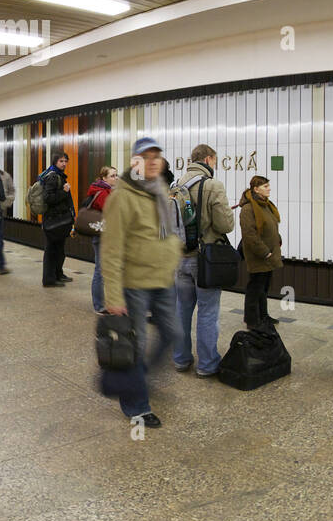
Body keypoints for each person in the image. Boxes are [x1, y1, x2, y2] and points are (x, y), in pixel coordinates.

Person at [98, 137, 186, 429]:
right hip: (134, 282)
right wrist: (113, 297)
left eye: (156, 157)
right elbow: (110, 250)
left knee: (173, 333)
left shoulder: (158, 189)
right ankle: (137, 406)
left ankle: (135, 377)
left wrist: (174, 254)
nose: (152, 162)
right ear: (134, 161)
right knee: (136, 344)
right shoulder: (122, 197)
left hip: (162, 278)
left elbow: (165, 233)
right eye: (145, 157)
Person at [171, 144, 236, 378]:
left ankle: (180, 359)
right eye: (215, 161)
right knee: (208, 312)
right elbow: (225, 225)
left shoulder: (176, 185)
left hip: (179, 257)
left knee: (181, 310)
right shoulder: (212, 185)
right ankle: (207, 365)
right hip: (204, 259)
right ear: (208, 159)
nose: (215, 165)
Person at [237, 176, 282, 334]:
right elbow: (249, 235)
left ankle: (263, 316)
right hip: (259, 254)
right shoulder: (248, 208)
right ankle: (252, 320)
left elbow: (271, 225)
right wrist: (265, 252)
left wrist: (278, 239)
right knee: (255, 287)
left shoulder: (266, 205)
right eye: (265, 186)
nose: (269, 188)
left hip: (270, 252)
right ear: (256, 189)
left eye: (268, 185)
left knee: (264, 286)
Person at [30, 154, 77, 286]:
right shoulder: (52, 177)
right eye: (61, 161)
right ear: (55, 162)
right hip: (53, 219)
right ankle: (49, 280)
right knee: (52, 250)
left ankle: (58, 274)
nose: (64, 164)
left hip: (57, 218)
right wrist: (64, 191)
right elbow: (48, 198)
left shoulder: (58, 175)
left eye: (65, 161)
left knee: (59, 249)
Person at [80, 167, 115, 310]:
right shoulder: (102, 193)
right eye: (113, 176)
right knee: (100, 270)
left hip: (105, 235)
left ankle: (105, 301)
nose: (116, 178)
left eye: (116, 175)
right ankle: (99, 305)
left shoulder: (107, 191)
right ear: (104, 178)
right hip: (102, 236)